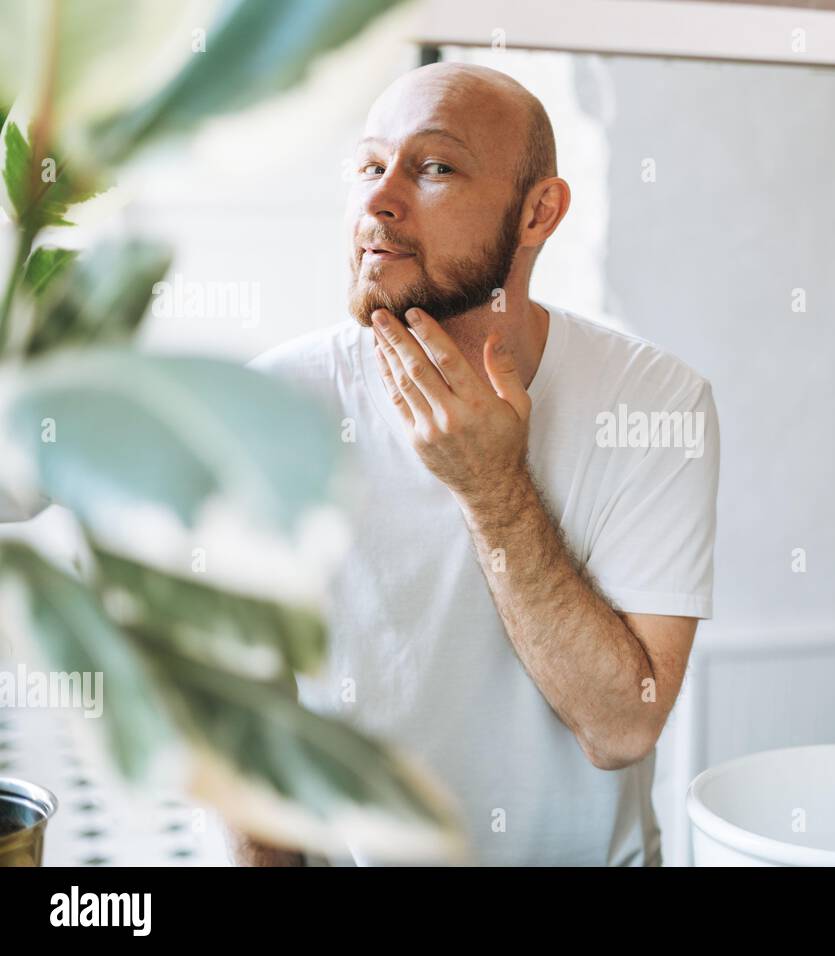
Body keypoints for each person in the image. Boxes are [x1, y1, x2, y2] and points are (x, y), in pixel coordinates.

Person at [241, 63, 719, 866]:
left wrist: (492, 487)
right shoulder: (272, 405)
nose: (379, 200)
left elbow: (622, 727)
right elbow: (251, 751)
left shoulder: (657, 403)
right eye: (368, 165)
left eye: (434, 167)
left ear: (540, 212)